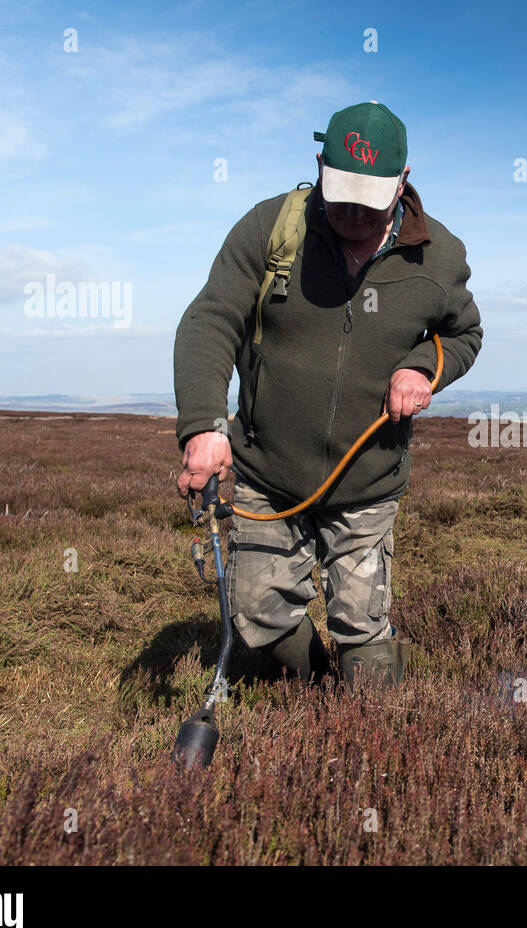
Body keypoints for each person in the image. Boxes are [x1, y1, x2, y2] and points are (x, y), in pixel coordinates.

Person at [173, 101, 483, 687]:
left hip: (367, 485)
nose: (352, 216)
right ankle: (318, 697)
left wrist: (423, 368)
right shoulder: (271, 227)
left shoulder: (438, 256)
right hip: (267, 475)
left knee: (362, 640)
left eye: (369, 204)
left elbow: (463, 333)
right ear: (319, 164)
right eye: (339, 195)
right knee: (258, 619)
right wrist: (205, 426)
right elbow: (211, 321)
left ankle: (372, 704)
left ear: (404, 182)